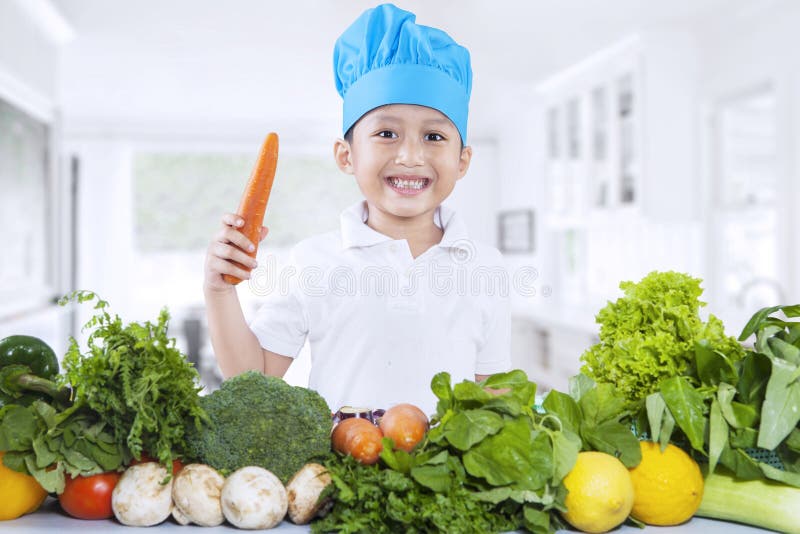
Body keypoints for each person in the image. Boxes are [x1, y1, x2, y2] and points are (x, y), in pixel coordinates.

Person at [203, 3, 511, 414]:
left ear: (462, 161)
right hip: (342, 457)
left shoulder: (487, 268)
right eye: (386, 133)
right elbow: (251, 381)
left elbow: (493, 404)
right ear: (346, 155)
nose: (410, 156)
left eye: (434, 137)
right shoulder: (313, 260)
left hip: (448, 460)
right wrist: (219, 290)